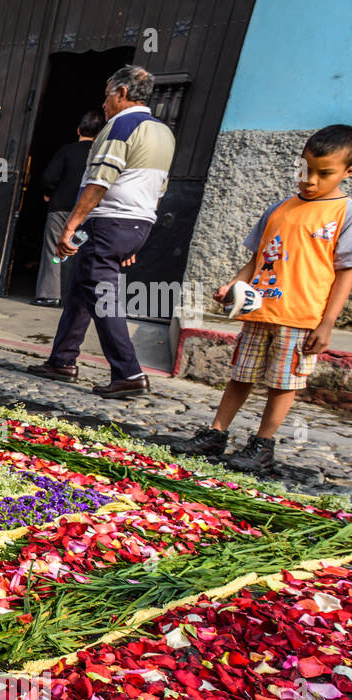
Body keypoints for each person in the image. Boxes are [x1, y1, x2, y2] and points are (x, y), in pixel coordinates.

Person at [168, 126, 352, 473]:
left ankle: (263, 444)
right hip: (259, 310)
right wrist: (232, 285)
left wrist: (327, 323)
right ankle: (216, 433)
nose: (310, 180)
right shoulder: (280, 208)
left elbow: (346, 273)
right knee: (241, 374)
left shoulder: (345, 213)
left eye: (323, 173)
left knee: (284, 383)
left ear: (348, 171)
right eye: (305, 169)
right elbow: (256, 259)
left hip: (301, 316)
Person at [28, 66, 175, 398]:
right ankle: (62, 360)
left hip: (109, 220)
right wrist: (135, 237)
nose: (105, 102)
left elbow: (100, 179)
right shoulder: (163, 132)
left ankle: (128, 373)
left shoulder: (121, 125)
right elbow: (159, 188)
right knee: (82, 289)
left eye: (107, 94)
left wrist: (71, 224)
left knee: (104, 299)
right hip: (136, 222)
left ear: (121, 93)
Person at [34, 111, 105, 307]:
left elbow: (49, 177)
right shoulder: (100, 155)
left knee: (54, 250)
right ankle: (71, 295)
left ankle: (50, 294)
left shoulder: (67, 150)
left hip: (61, 207)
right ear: (99, 134)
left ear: (78, 130)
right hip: (87, 209)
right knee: (78, 249)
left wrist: (48, 192)